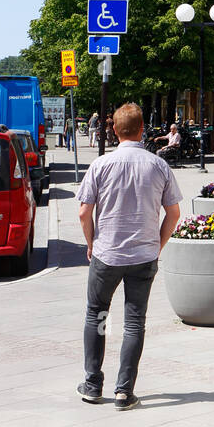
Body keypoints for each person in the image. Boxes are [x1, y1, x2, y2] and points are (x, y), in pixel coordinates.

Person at [76, 102, 182, 410]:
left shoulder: (100, 165)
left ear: (113, 130)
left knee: (97, 315)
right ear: (141, 130)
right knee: (135, 322)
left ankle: (93, 384)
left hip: (106, 255)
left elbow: (84, 211)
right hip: (143, 255)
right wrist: (158, 245)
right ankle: (124, 391)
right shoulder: (158, 165)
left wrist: (91, 242)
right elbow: (173, 212)